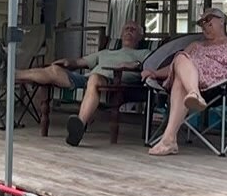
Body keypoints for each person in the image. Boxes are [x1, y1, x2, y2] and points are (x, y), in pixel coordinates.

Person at [15, 22, 152, 146]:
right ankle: (12, 74)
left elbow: (151, 66)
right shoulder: (106, 52)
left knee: (94, 78)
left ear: (141, 36)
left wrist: (134, 64)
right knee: (54, 70)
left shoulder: (144, 53)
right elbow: (80, 62)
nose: (129, 31)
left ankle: (79, 126)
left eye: (133, 29)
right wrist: (68, 62)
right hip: (88, 80)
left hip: (114, 83)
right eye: (126, 28)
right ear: (121, 34)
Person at [142, 7, 227, 156]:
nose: (204, 26)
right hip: (191, 81)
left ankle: (169, 140)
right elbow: (175, 66)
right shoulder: (196, 45)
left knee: (180, 78)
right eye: (202, 23)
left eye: (208, 21)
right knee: (180, 59)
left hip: (215, 84)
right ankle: (192, 96)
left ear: (222, 21)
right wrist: (154, 73)